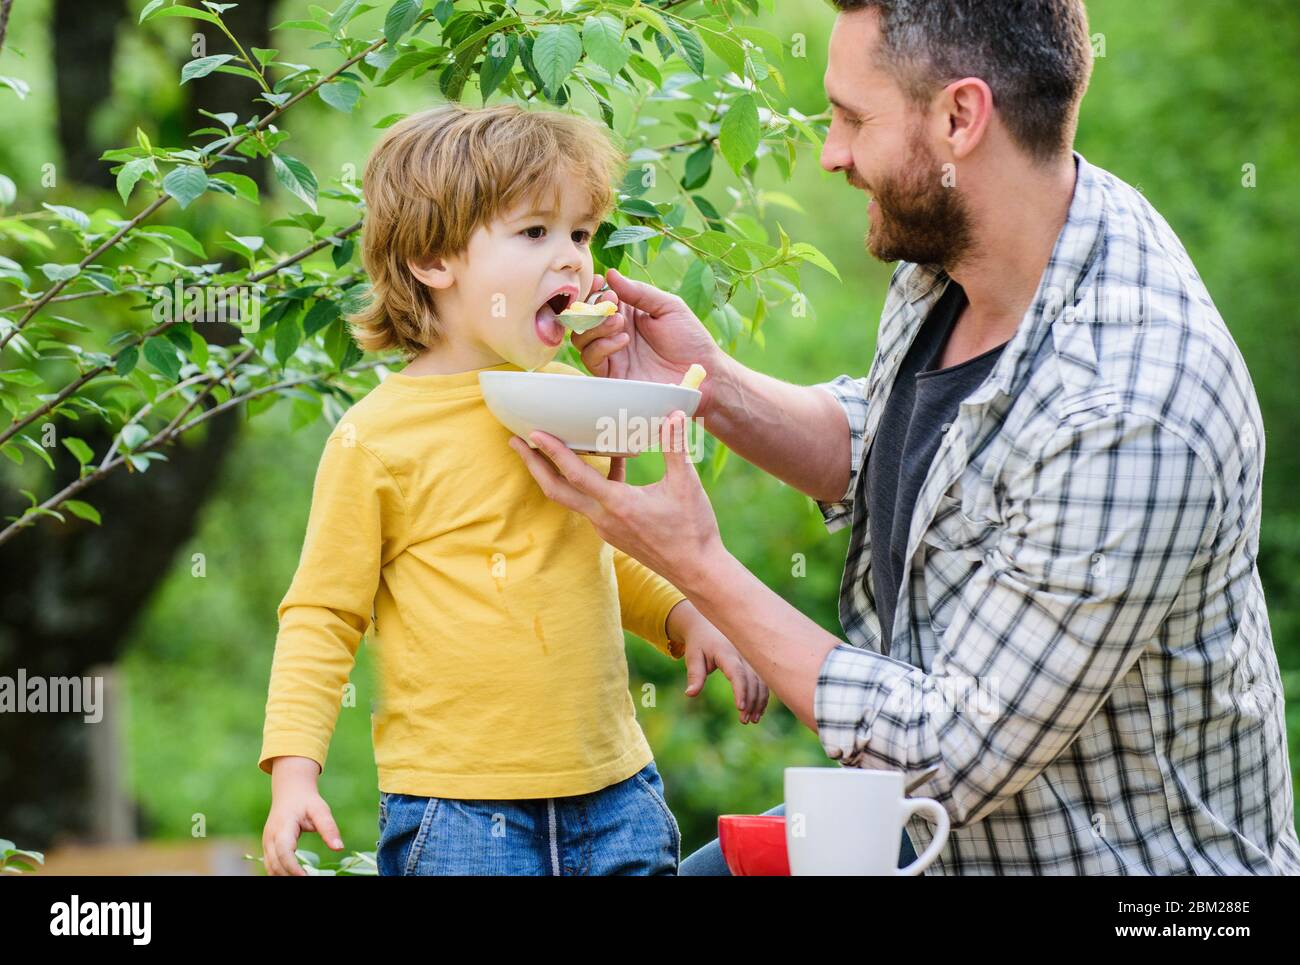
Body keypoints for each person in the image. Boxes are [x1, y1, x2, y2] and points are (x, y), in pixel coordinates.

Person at [511, 1, 1300, 874]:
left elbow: (945, 753)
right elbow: (893, 444)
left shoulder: (1132, 408)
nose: (831, 153)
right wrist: (708, 390)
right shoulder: (975, 245)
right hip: (944, 834)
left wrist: (694, 558)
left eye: (852, 118)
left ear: (960, 117)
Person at [257, 104, 767, 876]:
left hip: (616, 789)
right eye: (535, 232)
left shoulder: (570, 396)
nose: (571, 261)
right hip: (458, 808)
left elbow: (600, 541)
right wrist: (295, 771)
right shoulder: (377, 437)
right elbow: (322, 615)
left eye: (581, 234)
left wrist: (686, 613)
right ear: (434, 258)